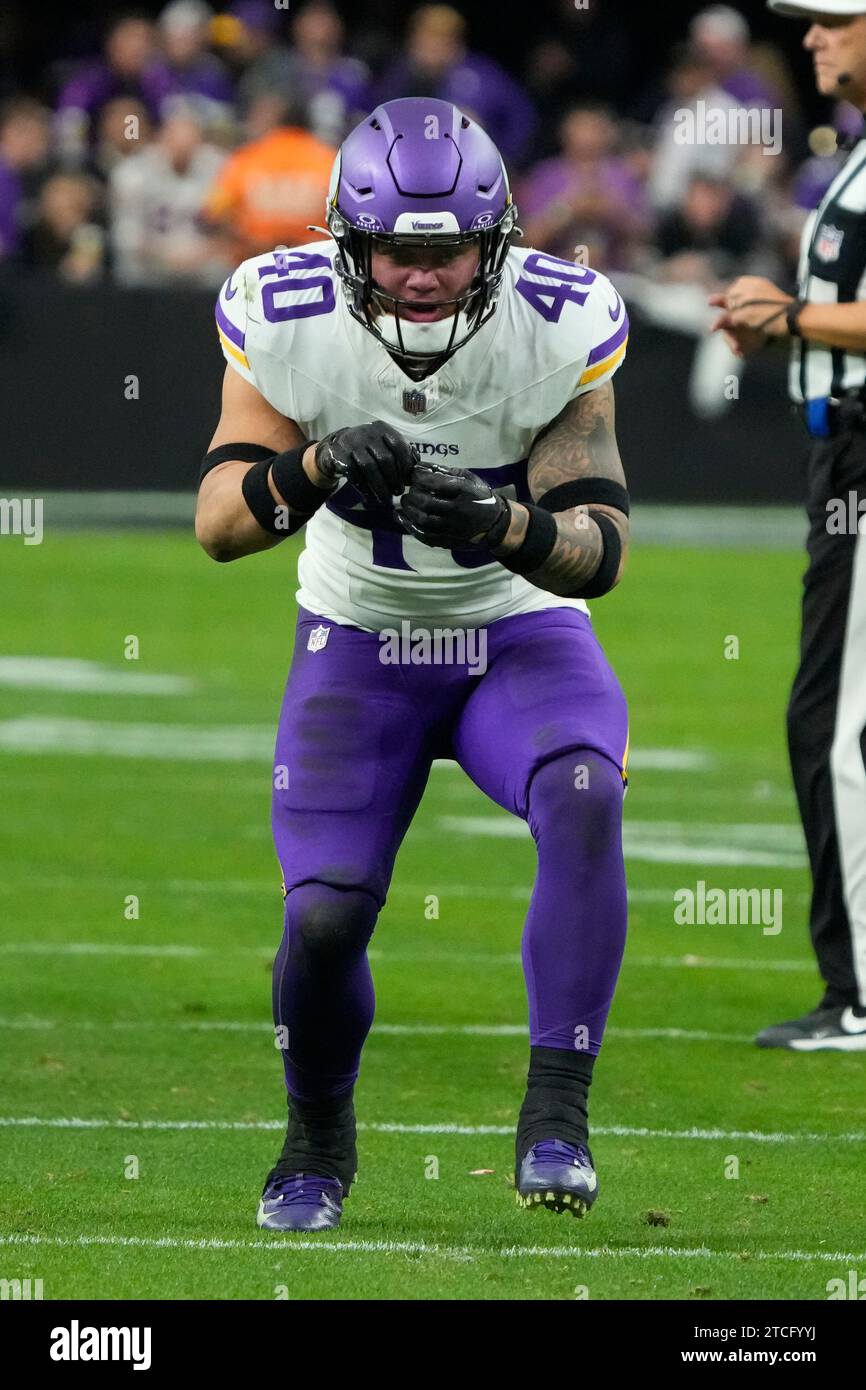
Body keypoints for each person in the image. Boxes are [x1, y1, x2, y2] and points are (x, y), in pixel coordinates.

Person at [196, 98, 631, 1232]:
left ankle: (556, 1119)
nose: (424, 277)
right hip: (360, 640)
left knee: (585, 789)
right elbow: (219, 525)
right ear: (349, 240)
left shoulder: (558, 320)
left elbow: (601, 550)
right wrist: (312, 468)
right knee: (322, 919)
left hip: (514, 635)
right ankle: (314, 1139)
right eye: (397, 249)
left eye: (449, 252)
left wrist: (505, 527)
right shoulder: (284, 313)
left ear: (496, 243)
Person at [710, 0, 866, 1050]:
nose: (810, 38)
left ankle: (858, 993)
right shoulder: (849, 152)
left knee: (836, 729)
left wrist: (793, 316)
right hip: (841, 449)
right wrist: (790, 331)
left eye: (832, 19)